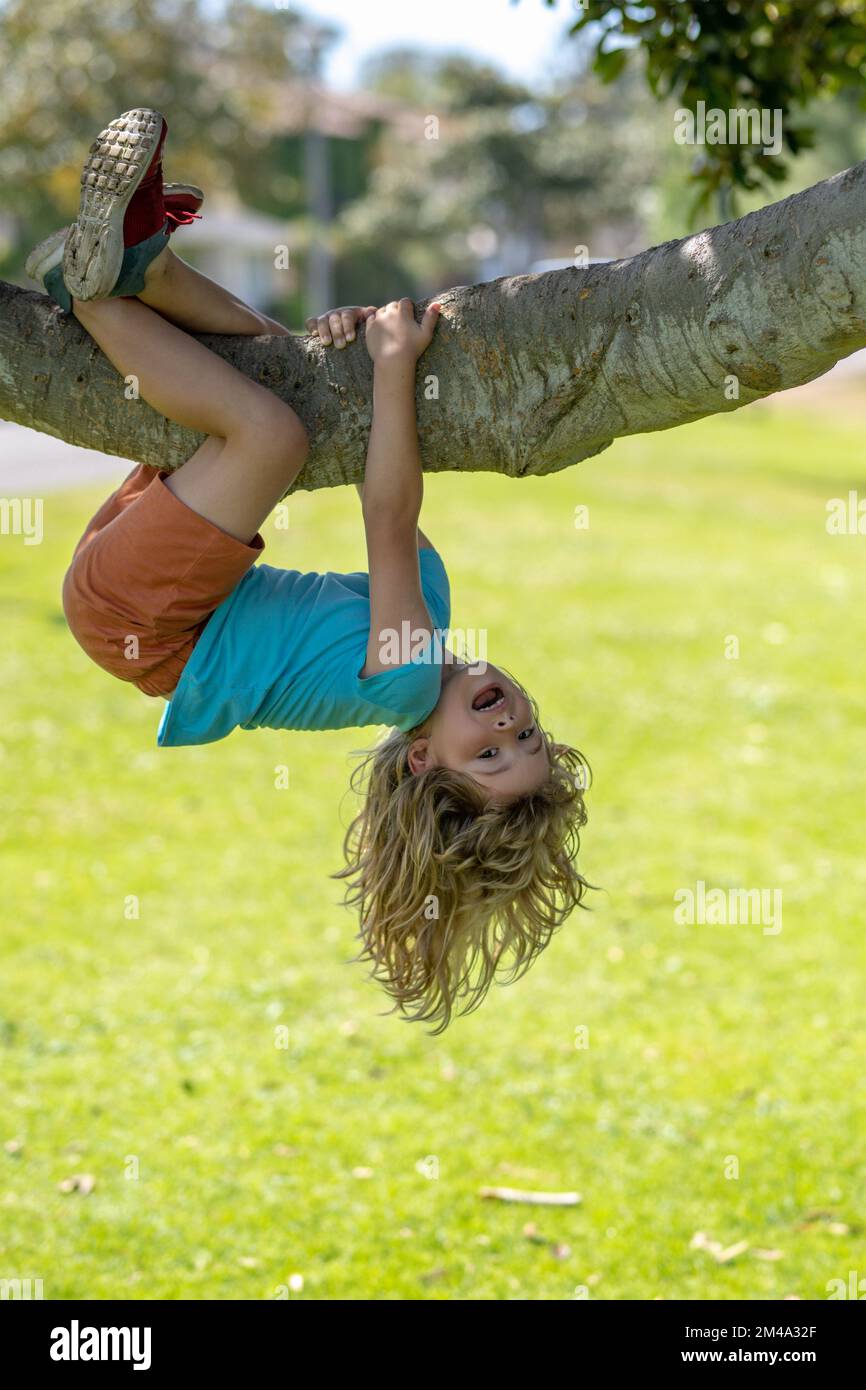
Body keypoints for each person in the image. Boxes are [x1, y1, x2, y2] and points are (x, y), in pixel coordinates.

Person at [28, 108, 595, 1033]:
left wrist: (391, 366)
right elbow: (381, 480)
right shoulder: (425, 641)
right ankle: (143, 270)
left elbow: (387, 510)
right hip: (152, 603)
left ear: (422, 759)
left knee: (272, 433)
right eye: (527, 740)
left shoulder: (410, 672)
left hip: (148, 614)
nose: (511, 726)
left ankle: (93, 299)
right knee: (291, 388)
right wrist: (340, 356)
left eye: (486, 755)